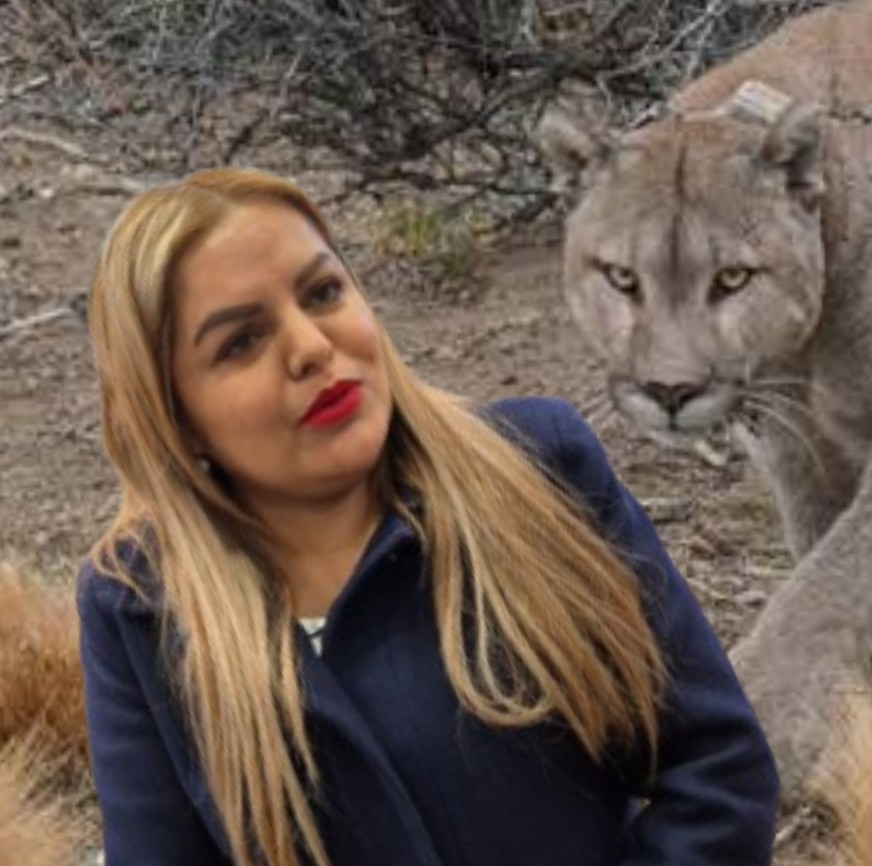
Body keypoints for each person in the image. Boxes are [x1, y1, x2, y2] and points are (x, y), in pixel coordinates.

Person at [77, 168, 779, 866]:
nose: (311, 346)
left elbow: (718, 773)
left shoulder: (537, 471)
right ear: (175, 418)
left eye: (323, 293)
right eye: (241, 342)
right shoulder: (140, 605)